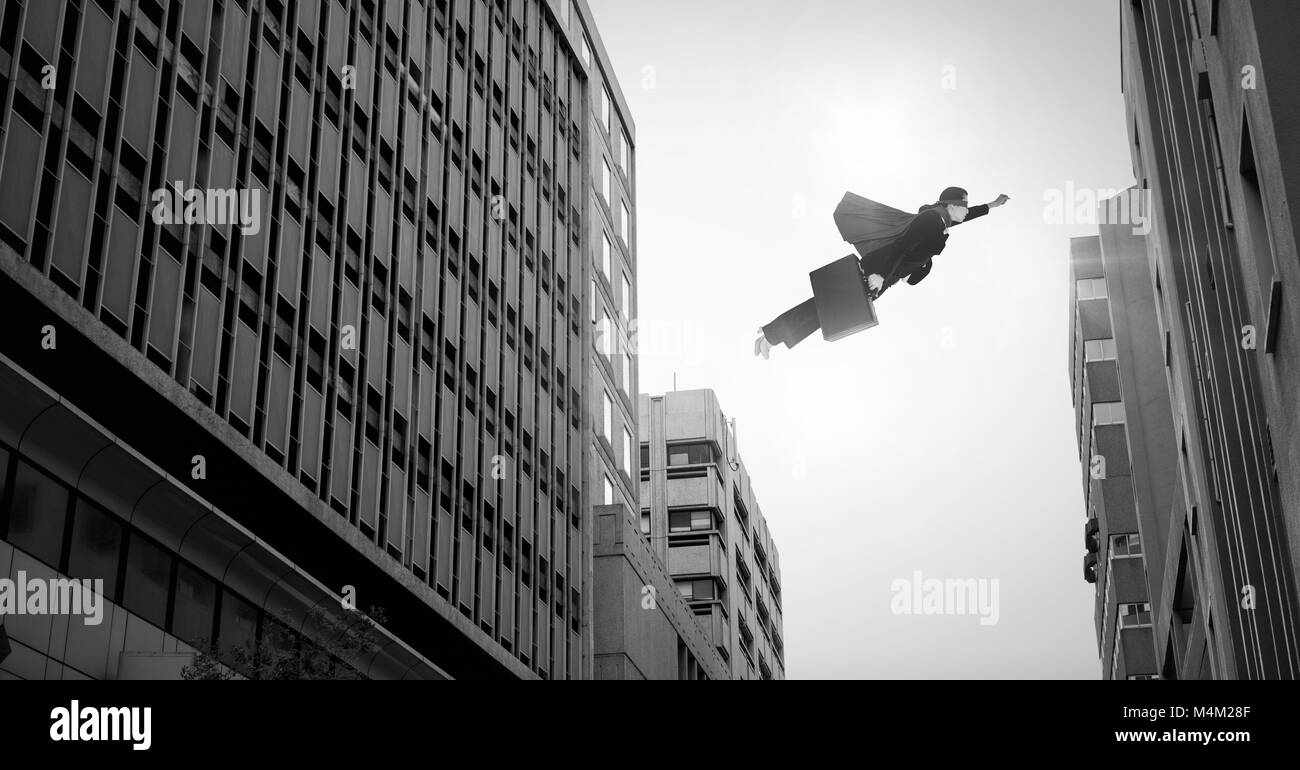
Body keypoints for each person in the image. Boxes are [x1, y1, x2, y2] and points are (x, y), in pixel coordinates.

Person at [755, 187, 1009, 358]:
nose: (966, 211)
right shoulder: (931, 220)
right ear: (952, 206)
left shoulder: (941, 222)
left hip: (885, 275)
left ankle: (771, 337)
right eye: (963, 206)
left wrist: (993, 205)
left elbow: (967, 216)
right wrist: (881, 276)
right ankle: (770, 335)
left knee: (831, 310)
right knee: (826, 306)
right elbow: (902, 246)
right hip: (879, 270)